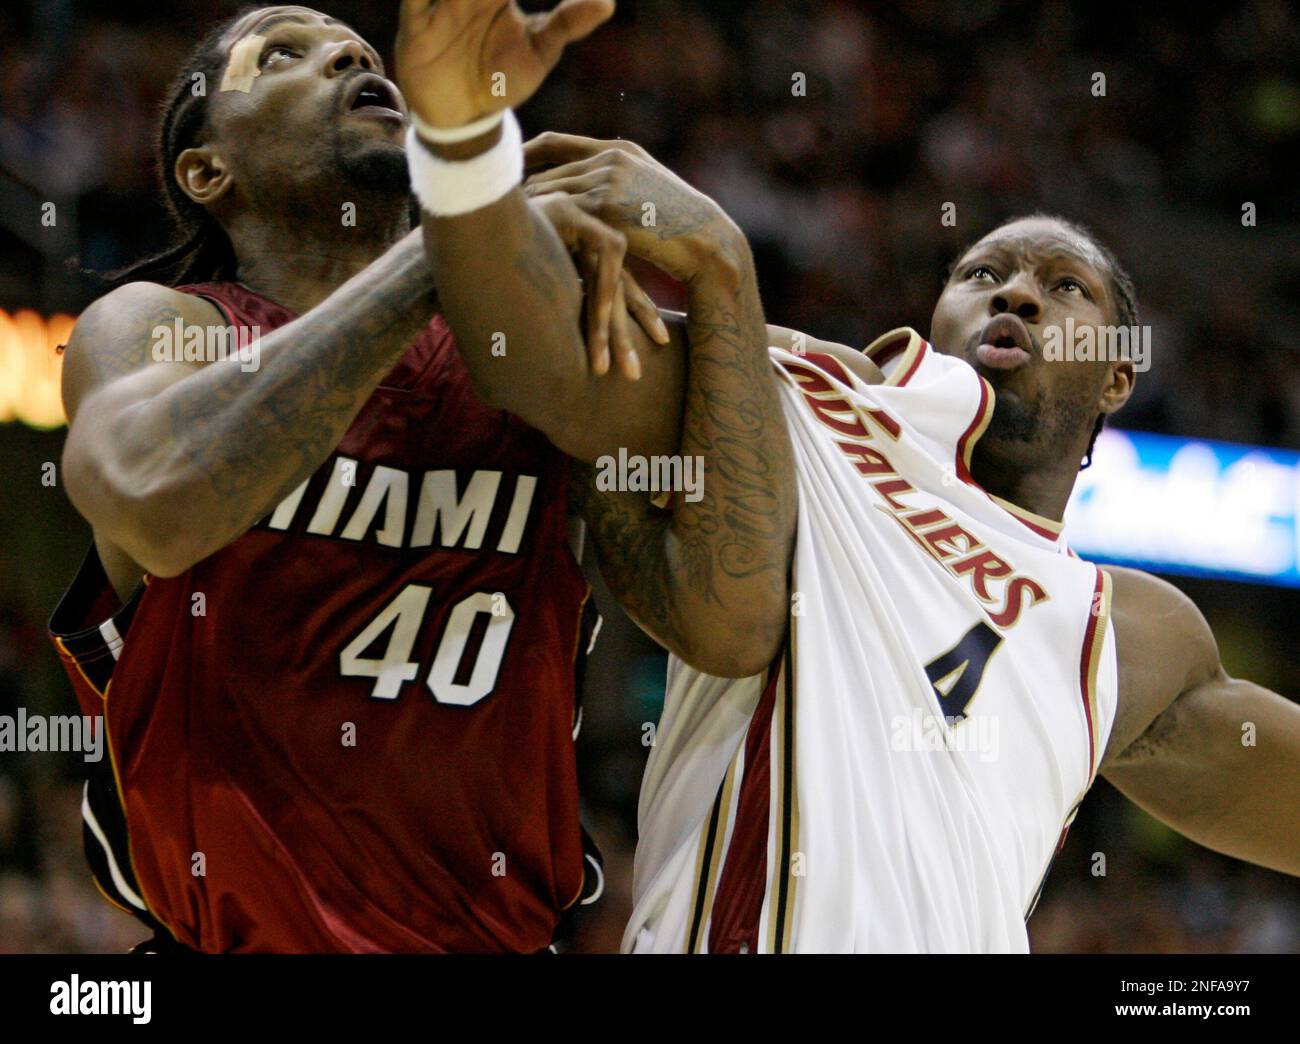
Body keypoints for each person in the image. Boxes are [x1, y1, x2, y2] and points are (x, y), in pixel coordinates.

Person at [407, 2, 1300, 952]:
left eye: (1064, 286)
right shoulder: (808, 400)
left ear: (1120, 372)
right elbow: (532, 357)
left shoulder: (1130, 629)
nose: (1016, 292)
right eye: (981, 273)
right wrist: (461, 137)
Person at [47, 2, 723, 953]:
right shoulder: (164, 327)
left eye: (362, 53)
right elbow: (158, 505)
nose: (348, 58)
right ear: (208, 173)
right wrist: (451, 241)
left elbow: (728, 602)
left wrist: (719, 268)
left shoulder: (519, 360)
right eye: (285, 54)